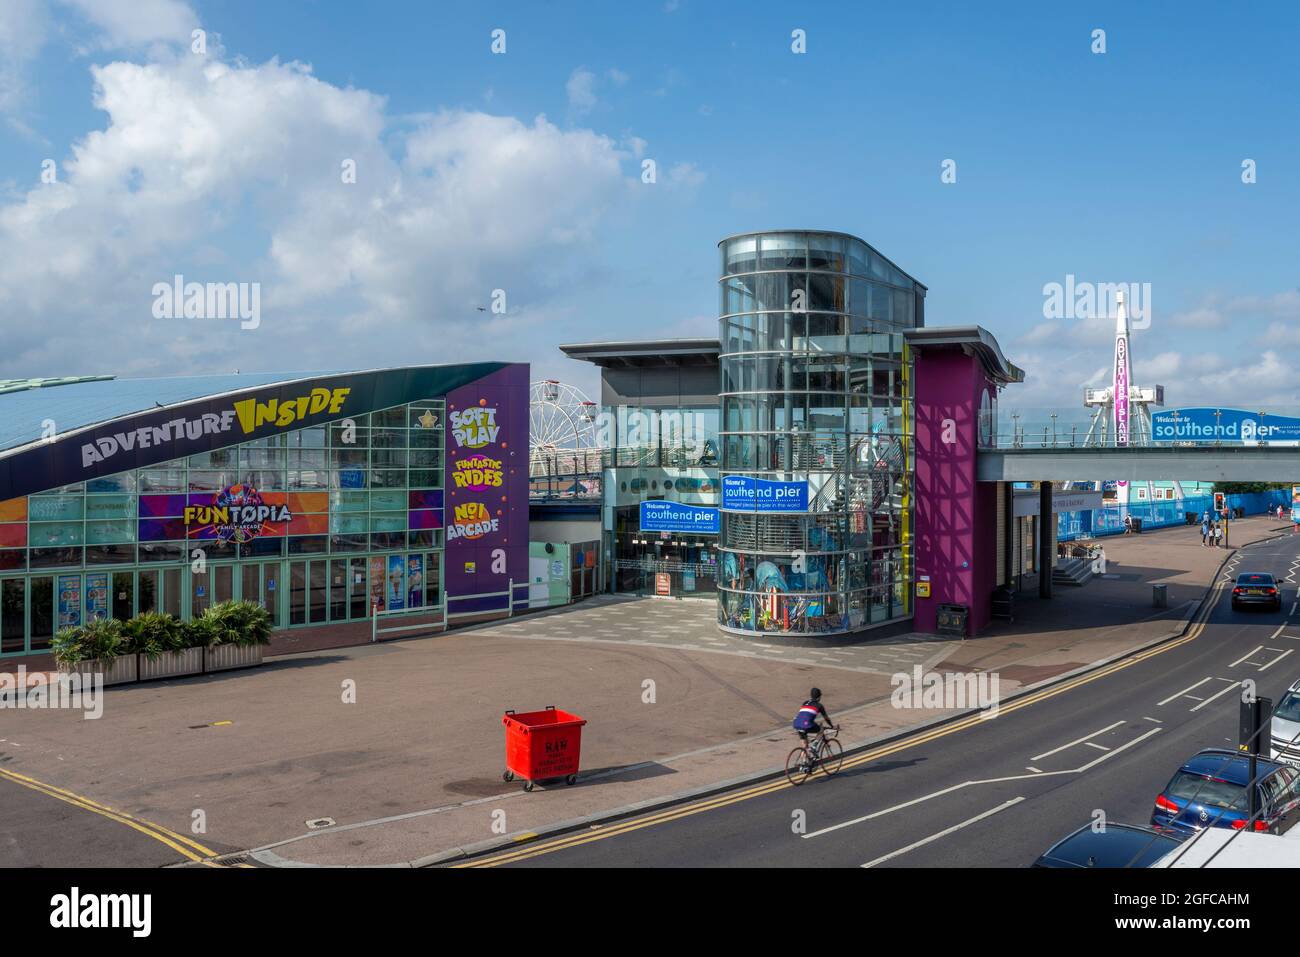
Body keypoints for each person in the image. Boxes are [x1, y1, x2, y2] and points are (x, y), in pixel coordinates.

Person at [792, 688, 836, 754]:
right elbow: (826, 718)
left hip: (796, 723)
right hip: (806, 725)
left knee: (805, 747)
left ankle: (804, 762)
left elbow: (805, 715)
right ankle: (814, 746)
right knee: (821, 730)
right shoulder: (819, 706)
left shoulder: (805, 702)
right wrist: (831, 726)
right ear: (819, 697)